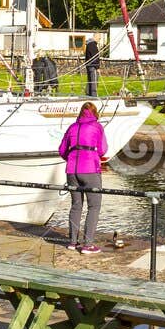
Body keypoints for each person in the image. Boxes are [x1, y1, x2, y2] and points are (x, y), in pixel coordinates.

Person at [58, 103, 107, 254]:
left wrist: (71, 158)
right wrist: (93, 155)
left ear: (81, 113)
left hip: (72, 170)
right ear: (94, 113)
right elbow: (103, 149)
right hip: (90, 169)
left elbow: (61, 150)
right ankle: (88, 245)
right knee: (94, 206)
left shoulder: (72, 127)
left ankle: (72, 242)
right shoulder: (97, 127)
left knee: (76, 205)